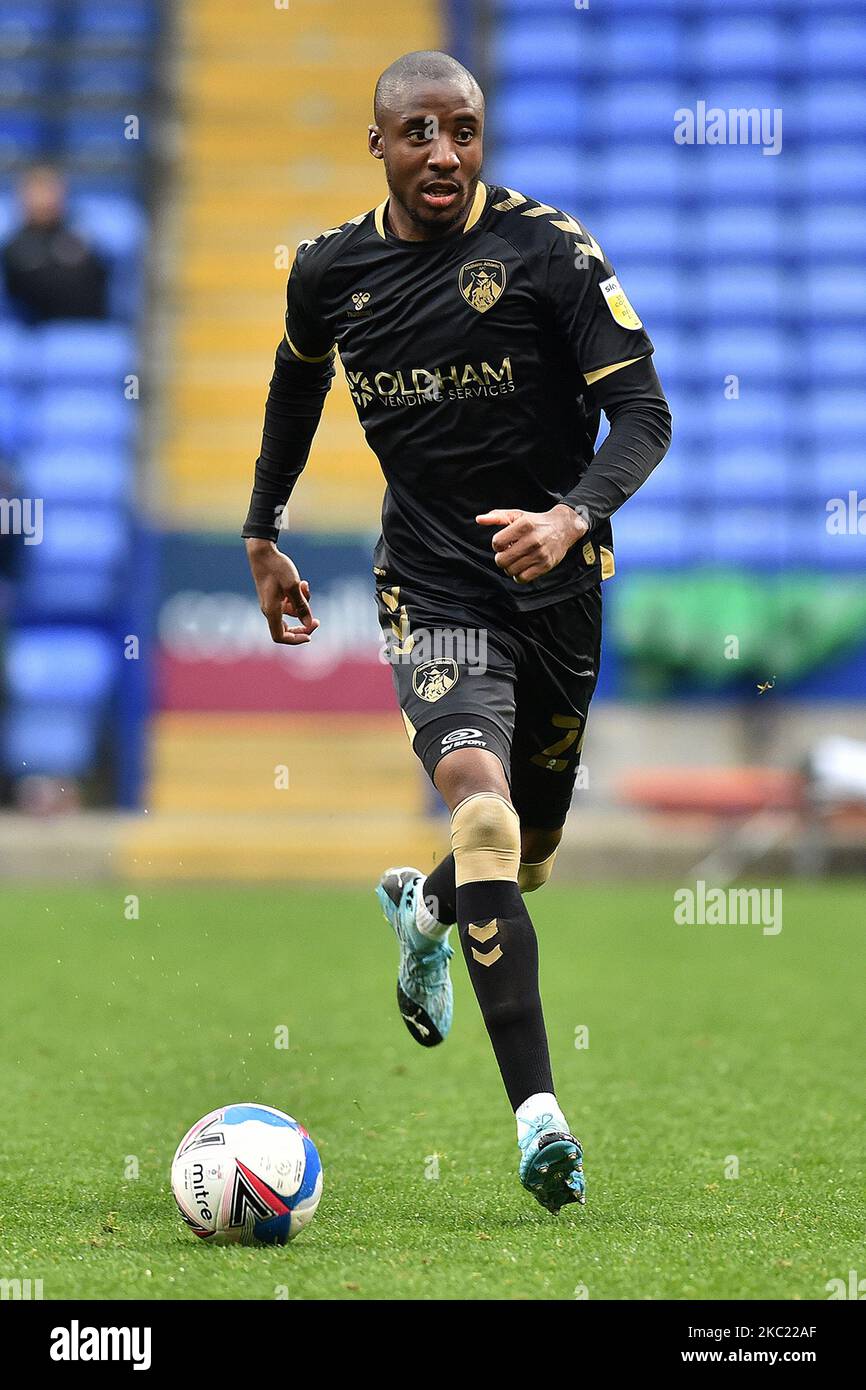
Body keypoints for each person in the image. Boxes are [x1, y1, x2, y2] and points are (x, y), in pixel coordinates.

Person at [242, 51, 672, 1213]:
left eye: (464, 131)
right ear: (376, 144)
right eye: (419, 133)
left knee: (521, 860)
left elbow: (643, 411)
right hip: (431, 588)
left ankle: (423, 908)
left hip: (559, 584)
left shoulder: (547, 250)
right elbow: (295, 386)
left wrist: (571, 514)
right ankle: (539, 1119)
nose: (444, 154)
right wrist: (262, 528)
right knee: (477, 809)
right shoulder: (330, 272)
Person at [1, 164, 107, 323]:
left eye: (49, 191)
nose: (43, 201)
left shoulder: (86, 241)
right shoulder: (12, 248)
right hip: (28, 331)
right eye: (36, 191)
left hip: (83, 330)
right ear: (22, 197)